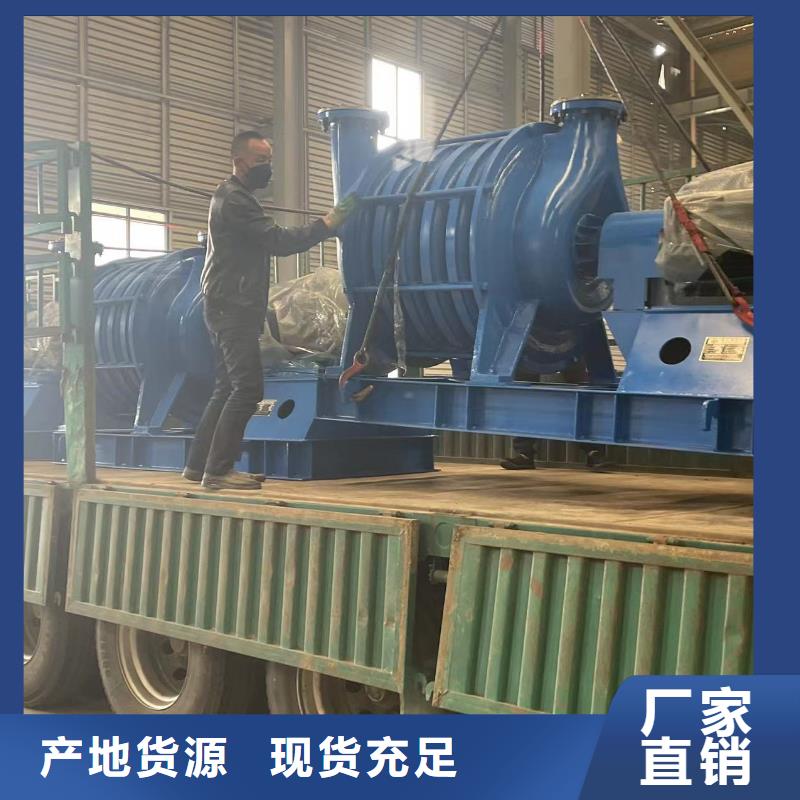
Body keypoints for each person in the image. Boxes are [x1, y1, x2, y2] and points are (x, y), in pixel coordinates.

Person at [183, 130, 357, 490]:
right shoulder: (235, 200)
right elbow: (278, 241)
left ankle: (198, 466)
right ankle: (218, 472)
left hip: (225, 304)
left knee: (226, 387)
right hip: (233, 307)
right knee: (247, 389)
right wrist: (326, 224)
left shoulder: (232, 196)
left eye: (269, 160)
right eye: (261, 160)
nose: (268, 167)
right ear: (239, 161)